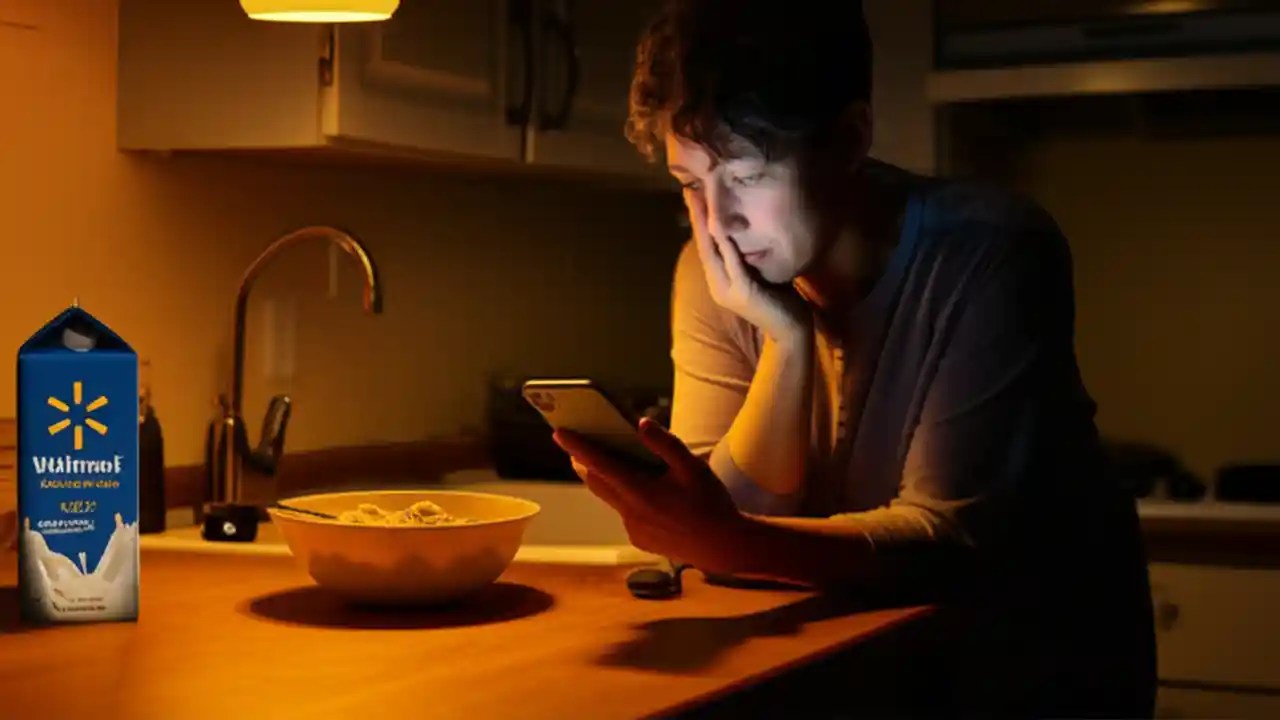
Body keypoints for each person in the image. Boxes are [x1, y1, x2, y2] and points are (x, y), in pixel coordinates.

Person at [551, 1, 1157, 716]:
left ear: (847, 140)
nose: (715, 222)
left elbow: (948, 544)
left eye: (745, 176)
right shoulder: (715, 271)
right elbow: (728, 536)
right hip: (874, 679)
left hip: (1029, 681)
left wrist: (726, 538)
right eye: (690, 184)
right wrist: (787, 345)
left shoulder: (990, 253)